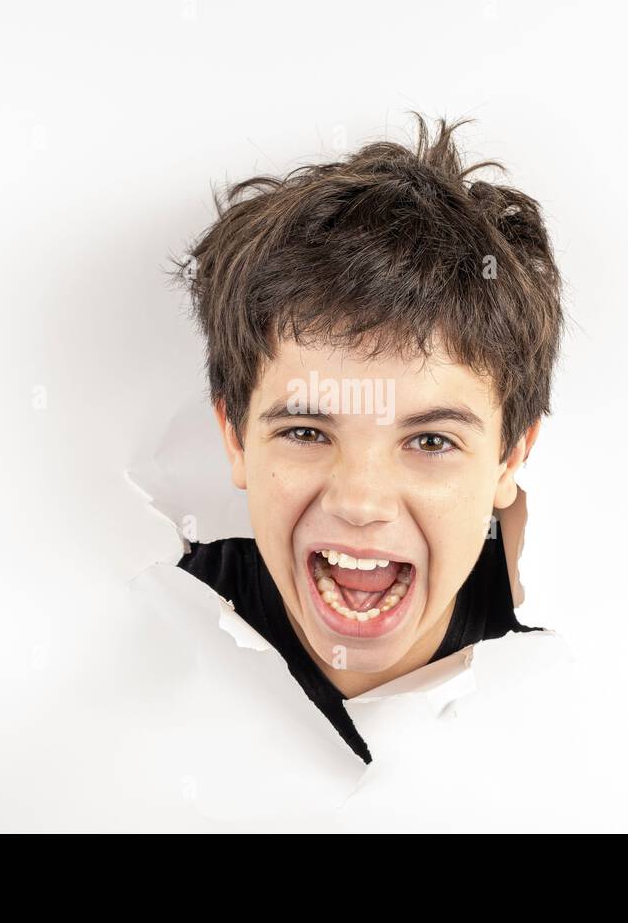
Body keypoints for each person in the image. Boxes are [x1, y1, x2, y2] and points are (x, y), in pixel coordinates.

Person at [167, 112, 564, 763]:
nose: (360, 501)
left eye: (431, 441)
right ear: (235, 439)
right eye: (305, 431)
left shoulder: (560, 689)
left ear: (510, 455)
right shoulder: (148, 631)